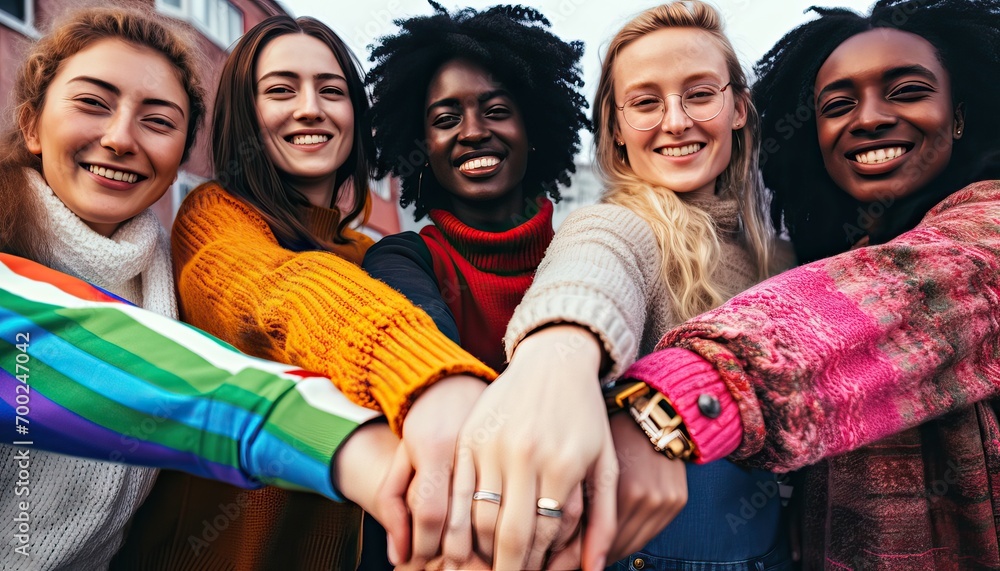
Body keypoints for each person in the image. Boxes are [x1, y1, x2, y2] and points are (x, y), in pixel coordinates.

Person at [0, 7, 417, 569]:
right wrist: (378, 432)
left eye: (158, 121)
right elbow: (186, 364)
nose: (120, 138)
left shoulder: (154, 271)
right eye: (93, 103)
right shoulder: (208, 229)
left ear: (180, 154)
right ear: (31, 125)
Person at [622, 0, 1000, 568]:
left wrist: (675, 404)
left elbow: (911, 290)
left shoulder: (986, 225)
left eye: (907, 91)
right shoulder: (838, 252)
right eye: (838, 105)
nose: (868, 118)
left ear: (961, 114)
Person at [448, 2, 793, 569]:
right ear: (615, 126)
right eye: (646, 102)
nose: (676, 121)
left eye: (699, 94)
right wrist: (556, 354)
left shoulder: (784, 258)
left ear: (738, 108)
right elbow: (590, 269)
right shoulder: (617, 225)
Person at [151, 14, 495, 570]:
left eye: (331, 91)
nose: (310, 108)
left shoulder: (368, 251)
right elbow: (279, 292)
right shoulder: (212, 218)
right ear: (244, 113)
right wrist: (430, 377)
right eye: (281, 90)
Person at [363, 3, 588, 374]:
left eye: (496, 111)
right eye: (446, 119)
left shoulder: (590, 255)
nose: (472, 132)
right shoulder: (401, 261)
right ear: (423, 149)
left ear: (532, 132)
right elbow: (432, 366)